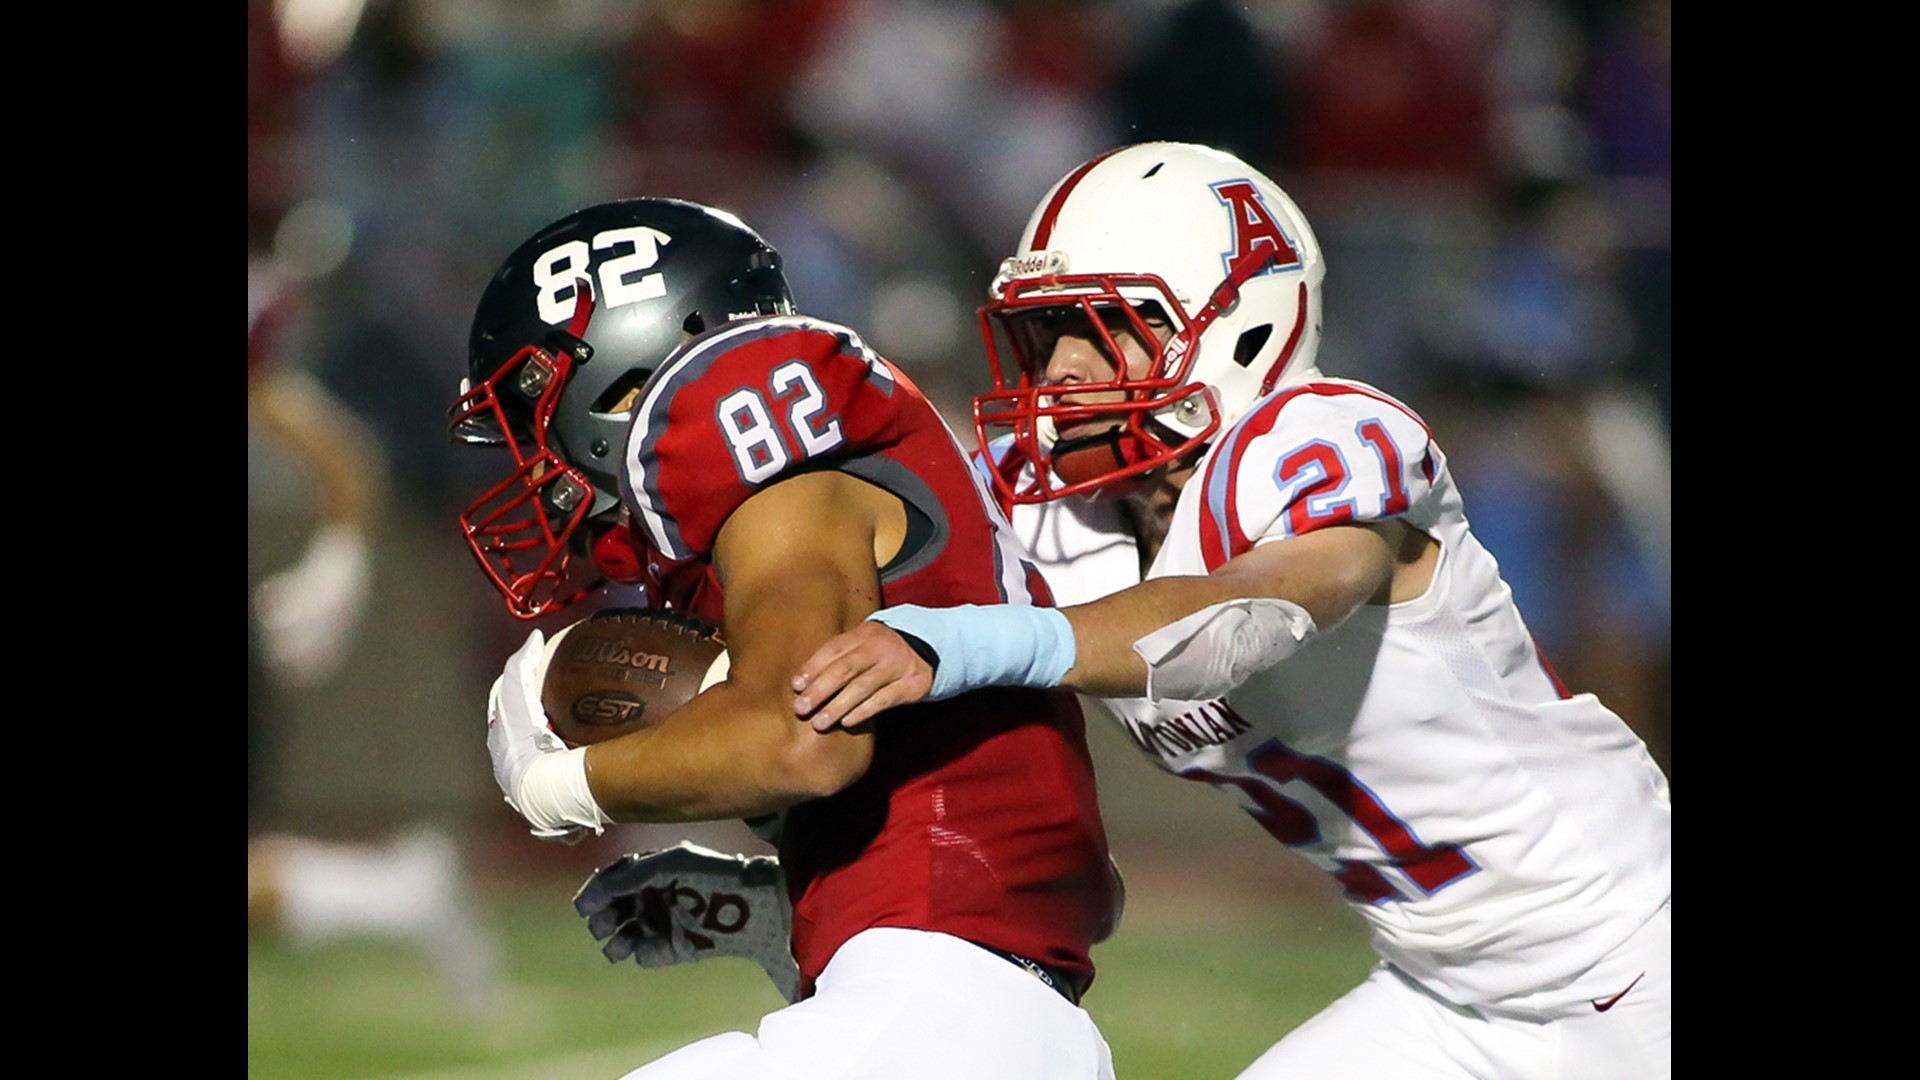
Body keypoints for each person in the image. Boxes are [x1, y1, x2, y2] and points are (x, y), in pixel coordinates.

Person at [790, 142, 1672, 1079]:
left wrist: (983, 639)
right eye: (1049, 331)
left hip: (1630, 951)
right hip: (1444, 988)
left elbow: (1250, 611)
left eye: (1105, 327)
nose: (1063, 370)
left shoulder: (1313, 440)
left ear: (1241, 330)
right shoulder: (1050, 510)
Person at [446, 196, 1120, 1079]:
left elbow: (804, 742)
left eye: (535, 418)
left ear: (619, 379)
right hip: (976, 1012)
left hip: (943, 1012)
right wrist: (785, 903)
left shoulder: (775, 465)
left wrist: (558, 786)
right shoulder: (800, 496)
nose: (536, 469)